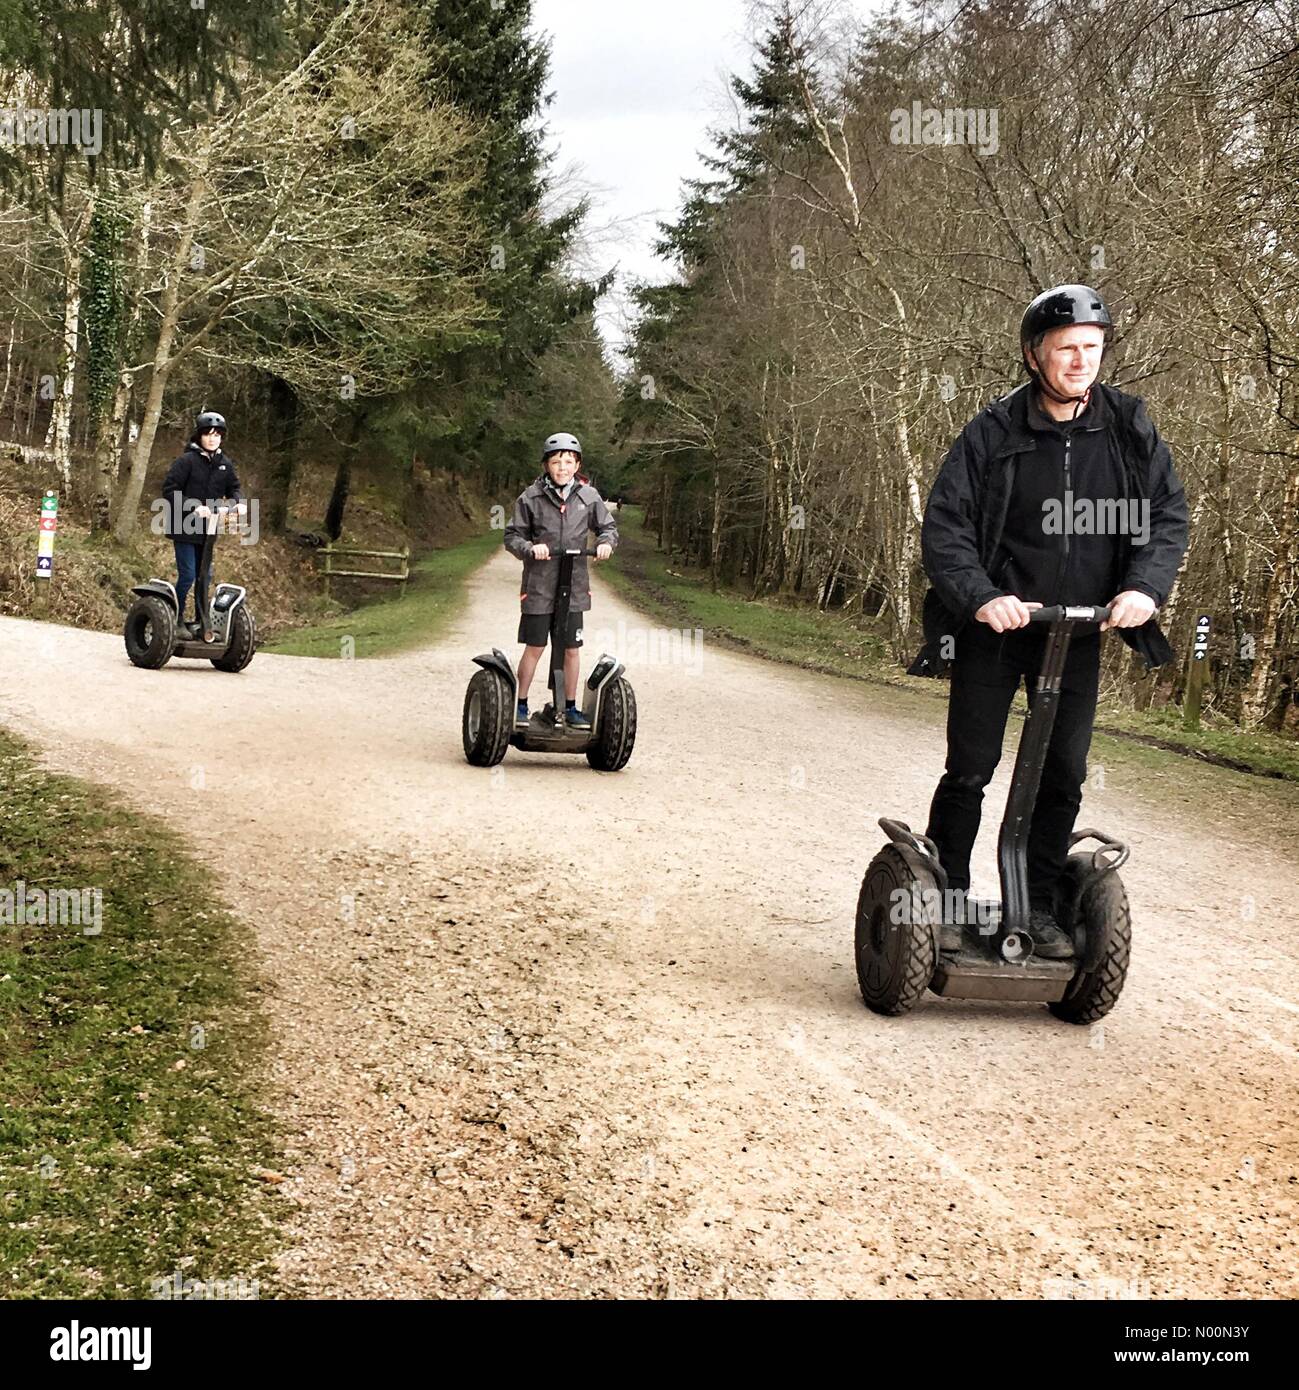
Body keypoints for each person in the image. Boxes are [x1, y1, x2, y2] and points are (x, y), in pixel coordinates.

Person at [908, 285, 1189, 957]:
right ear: (1034, 354)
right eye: (1066, 348)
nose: (1080, 360)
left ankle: (1034, 909)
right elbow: (945, 527)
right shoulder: (992, 430)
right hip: (998, 630)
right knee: (969, 769)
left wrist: (1144, 589)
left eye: (1091, 348)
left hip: (1080, 632)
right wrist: (978, 595)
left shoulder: (1126, 426)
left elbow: (1166, 517)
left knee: (1062, 772)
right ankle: (945, 901)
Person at [503, 432, 619, 729]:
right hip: (540, 585)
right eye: (556, 462)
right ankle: (520, 704)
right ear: (546, 465)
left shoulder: (588, 496)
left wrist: (605, 543)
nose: (562, 467)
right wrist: (530, 548)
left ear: (577, 464)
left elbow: (608, 528)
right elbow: (512, 536)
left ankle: (569, 707)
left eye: (568, 461)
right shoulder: (531, 497)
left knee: (571, 648)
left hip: (575, 585)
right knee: (536, 646)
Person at [159, 411, 243, 639]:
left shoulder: (224, 464)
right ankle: (173, 619)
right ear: (199, 436)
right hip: (184, 527)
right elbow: (169, 491)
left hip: (208, 530)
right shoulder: (186, 461)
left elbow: (234, 488)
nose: (213, 438)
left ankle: (200, 621)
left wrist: (237, 503)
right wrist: (193, 506)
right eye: (208, 434)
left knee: (204, 575)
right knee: (188, 575)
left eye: (217, 435)